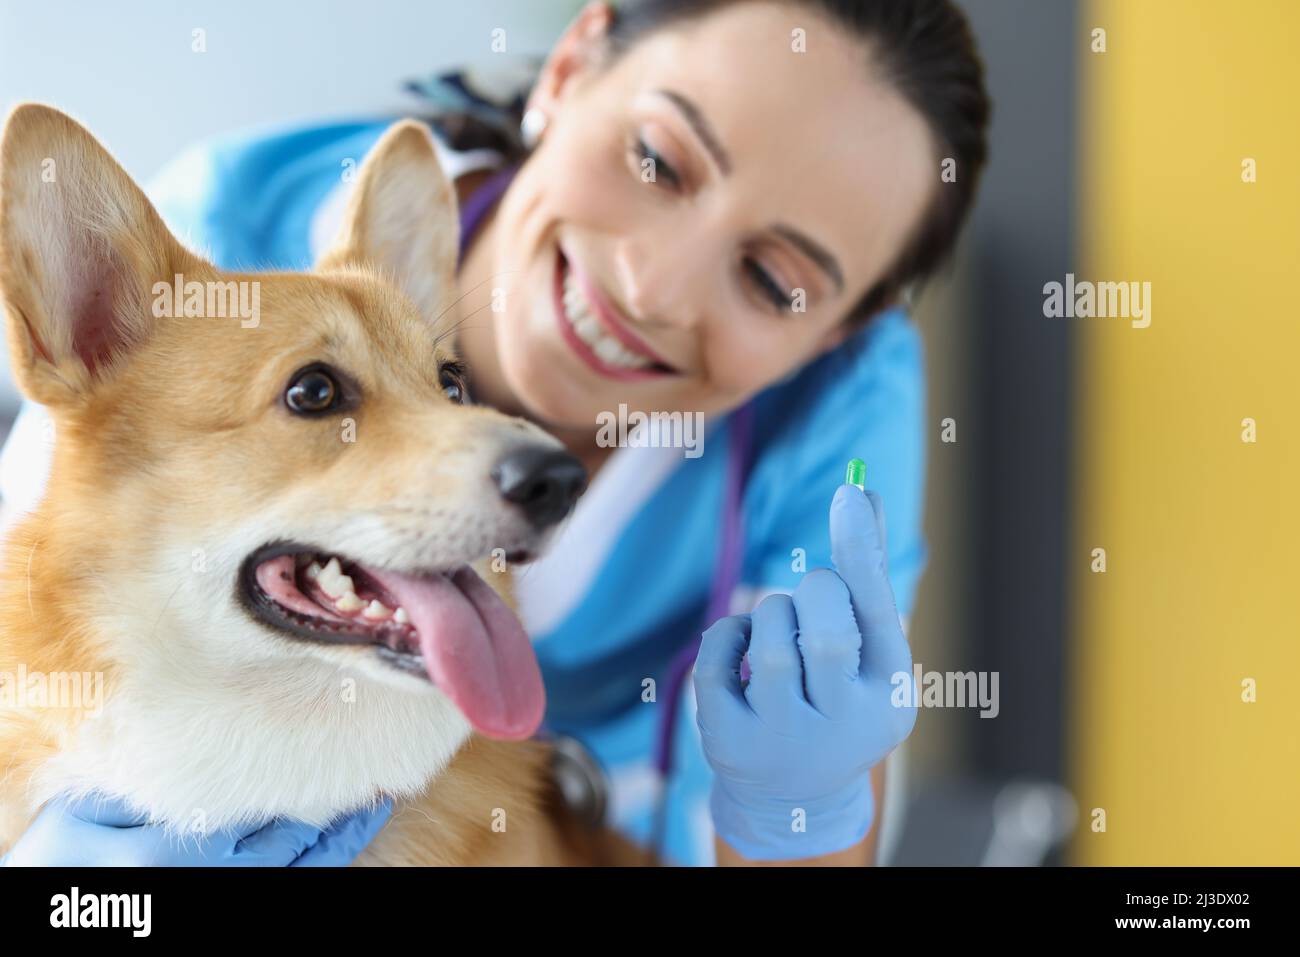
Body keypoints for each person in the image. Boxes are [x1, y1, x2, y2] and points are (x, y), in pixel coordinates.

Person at [0, 0, 990, 866]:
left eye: (774, 281)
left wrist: (794, 815)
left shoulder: (844, 410)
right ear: (568, 68)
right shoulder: (216, 238)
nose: (651, 287)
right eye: (657, 160)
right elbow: (53, 613)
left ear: (840, 331)